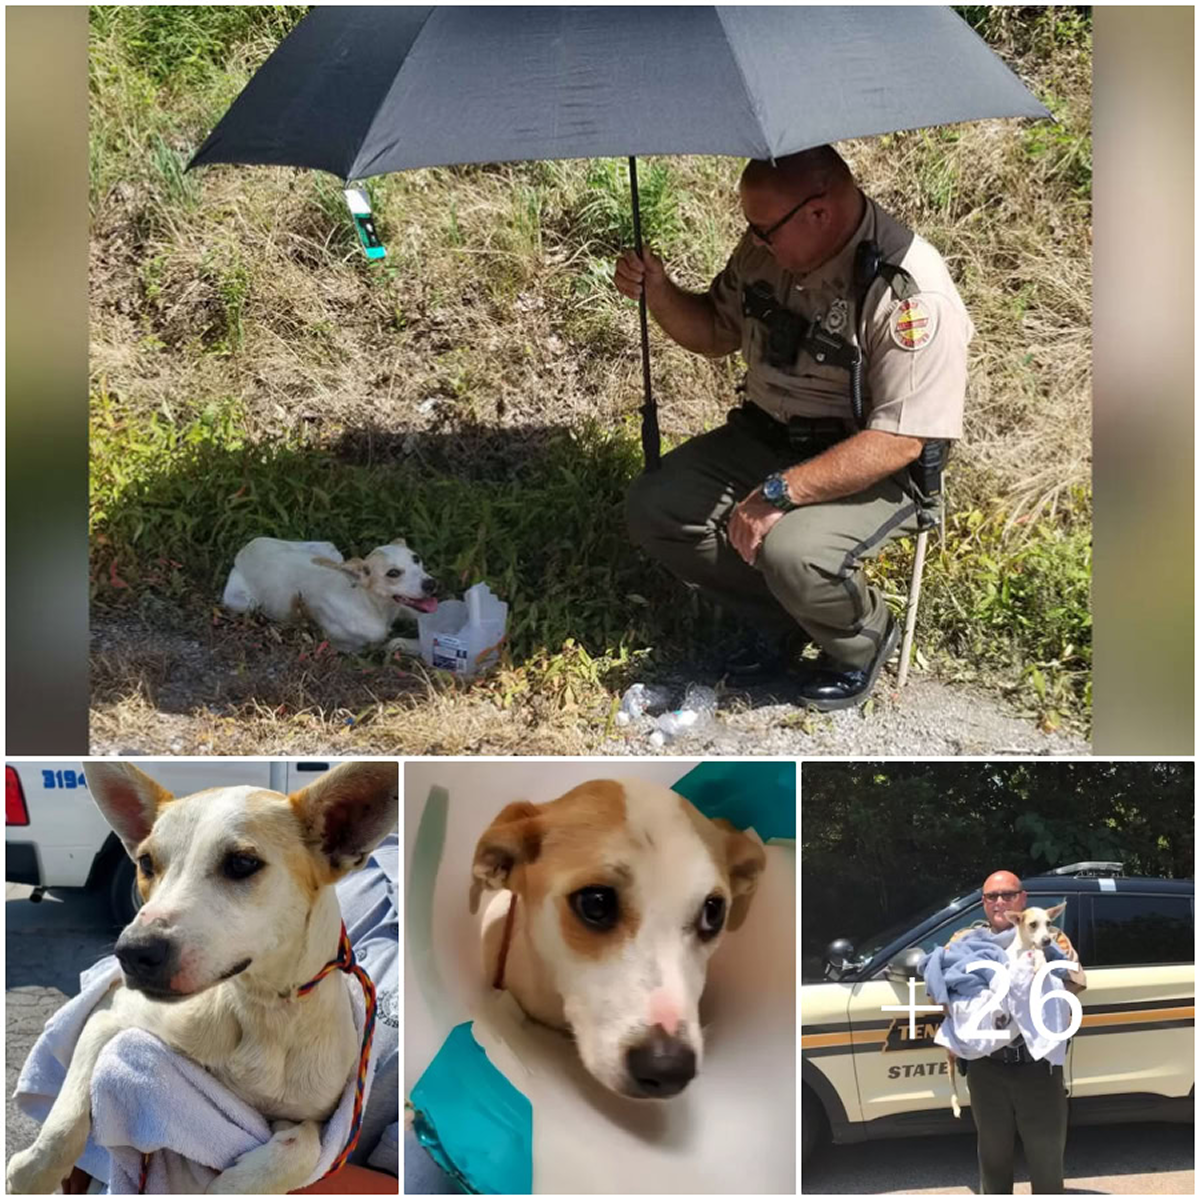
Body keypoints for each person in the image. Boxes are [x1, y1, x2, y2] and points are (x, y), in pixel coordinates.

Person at [615, 145, 974, 708]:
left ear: (819, 213)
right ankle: (782, 620)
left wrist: (778, 494)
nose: (755, 241)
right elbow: (714, 332)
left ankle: (862, 639)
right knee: (658, 505)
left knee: (791, 550)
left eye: (764, 230)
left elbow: (902, 438)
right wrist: (658, 292)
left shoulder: (909, 292)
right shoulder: (769, 251)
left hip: (869, 464)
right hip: (764, 436)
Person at [946, 870, 1086, 1195]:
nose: (999, 902)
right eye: (991, 896)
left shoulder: (1052, 937)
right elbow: (946, 987)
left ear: (1022, 899)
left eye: (1007, 894)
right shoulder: (964, 941)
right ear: (982, 902)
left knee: (1047, 1155)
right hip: (986, 1065)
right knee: (993, 1156)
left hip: (1038, 1066)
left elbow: (1076, 981)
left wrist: (1035, 973)